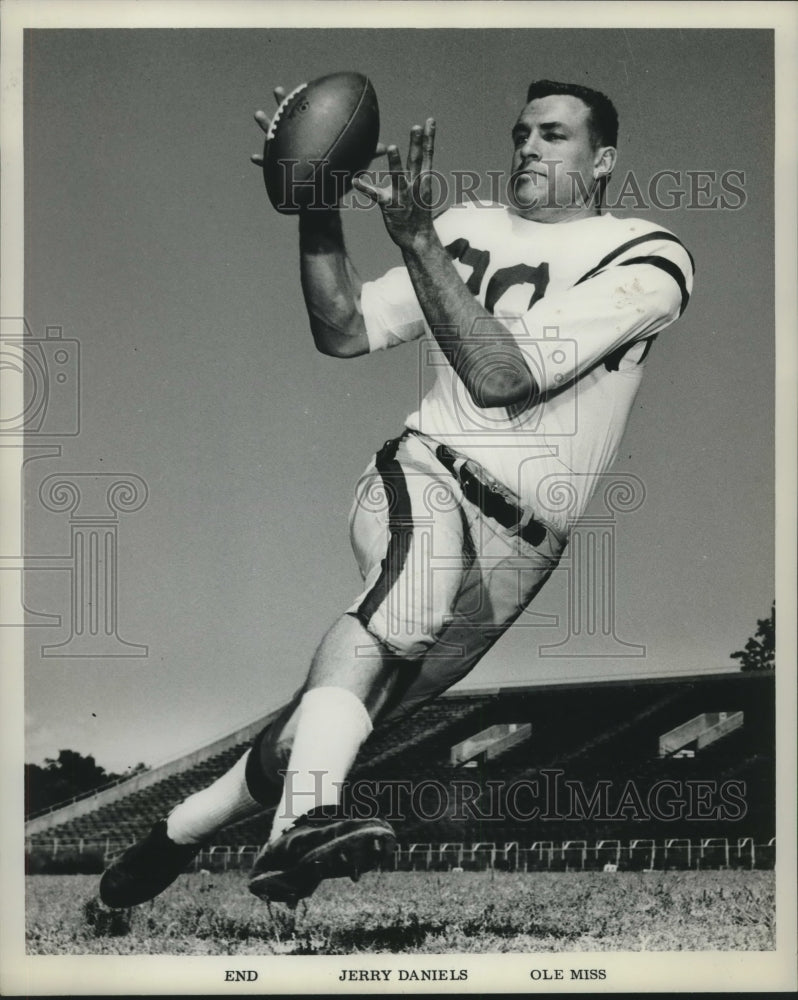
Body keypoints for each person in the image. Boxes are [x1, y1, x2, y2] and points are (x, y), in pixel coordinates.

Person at [100, 79, 694, 908]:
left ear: (602, 160)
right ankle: (302, 826)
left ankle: (172, 840)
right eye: (520, 131)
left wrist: (418, 240)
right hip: (430, 474)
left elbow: (503, 375)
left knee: (327, 723)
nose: (527, 147)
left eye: (553, 135)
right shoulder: (464, 227)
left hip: (526, 546)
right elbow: (343, 328)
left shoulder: (648, 256)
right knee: (407, 602)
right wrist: (317, 205)